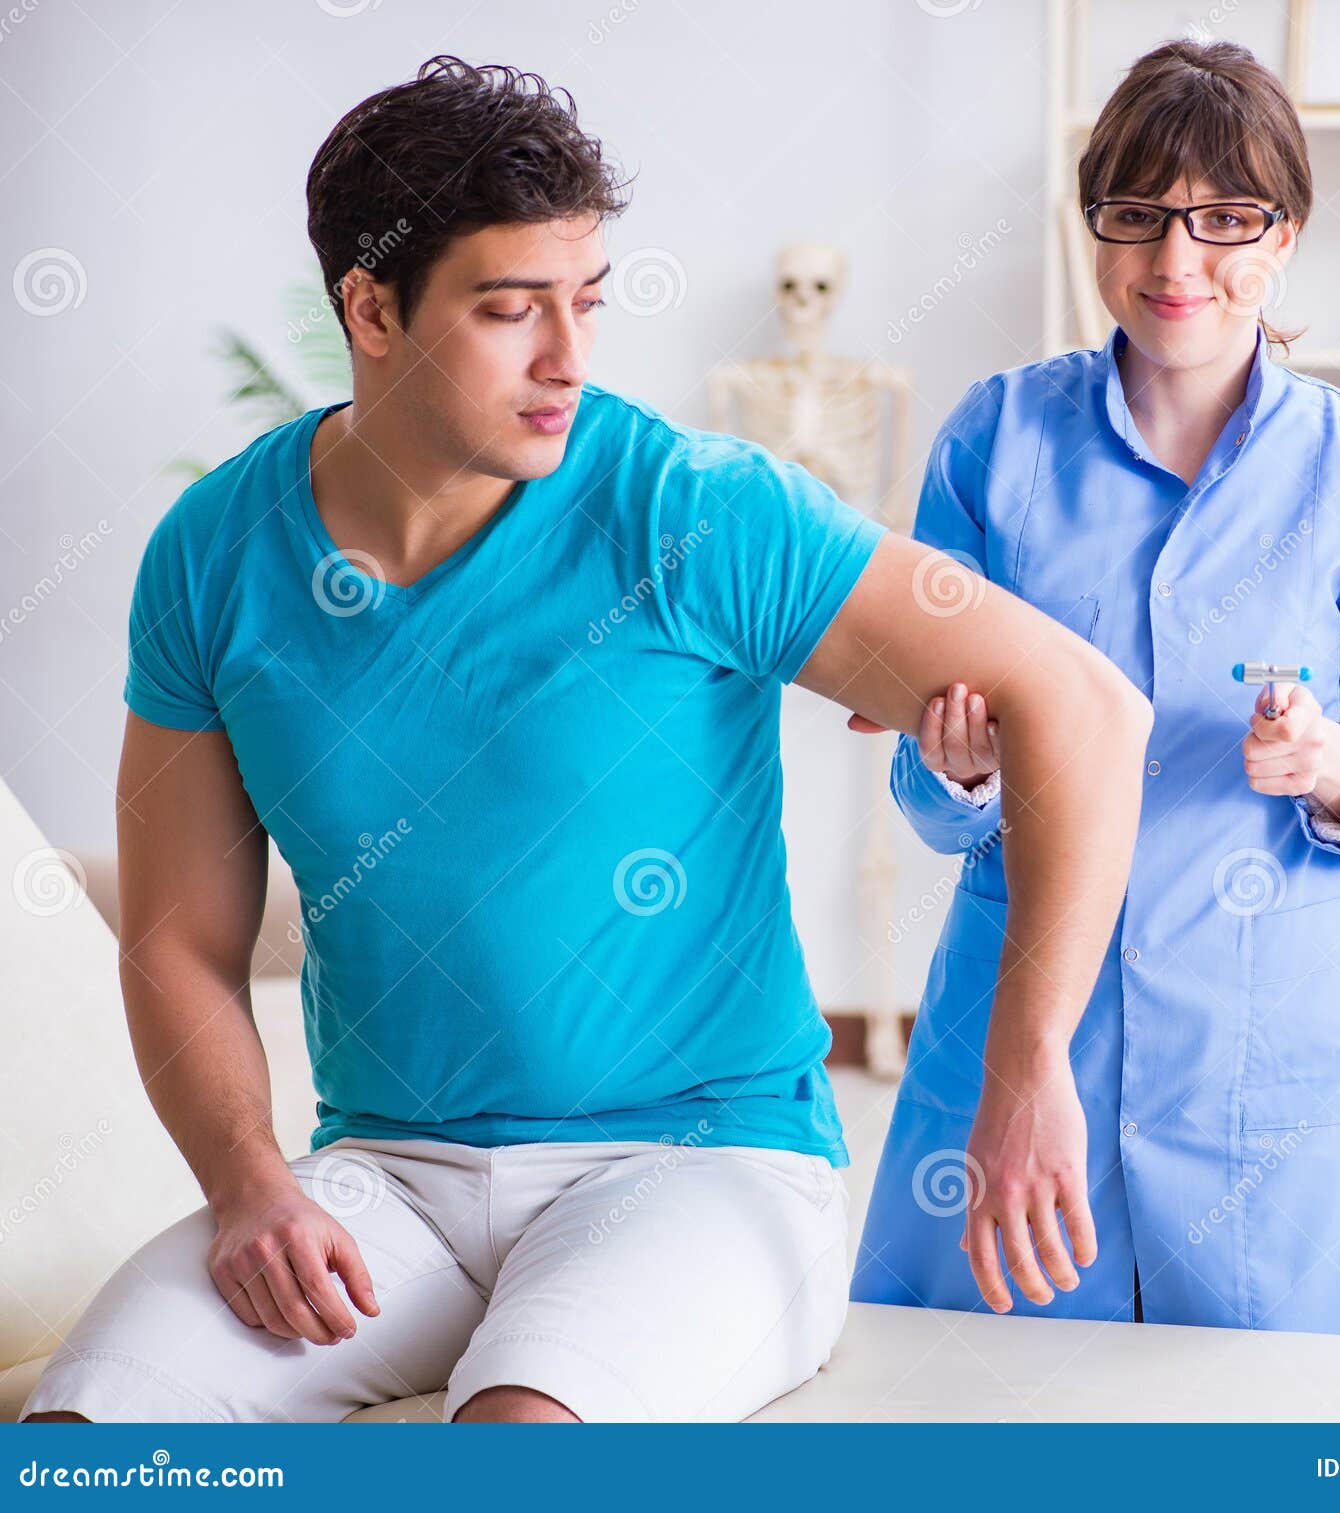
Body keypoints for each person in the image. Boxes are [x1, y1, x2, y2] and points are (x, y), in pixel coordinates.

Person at [21, 56, 1151, 1424]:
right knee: (82, 1433)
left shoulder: (691, 508)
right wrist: (251, 1185)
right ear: (368, 309)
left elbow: (1084, 708)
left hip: (702, 1166)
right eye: (511, 310)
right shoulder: (216, 554)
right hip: (388, 1176)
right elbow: (178, 941)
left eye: (589, 300)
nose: (568, 355)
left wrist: (1028, 1071)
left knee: (520, 1440)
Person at [848, 39, 1340, 1337]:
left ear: (1285, 233)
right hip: (1023, 1032)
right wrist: (960, 766)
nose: (1176, 259)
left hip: (1267, 1064)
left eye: (1225, 218)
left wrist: (1339, 764)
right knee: (978, 1409)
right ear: (1093, 227)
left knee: (1280, 1423)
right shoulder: (996, 438)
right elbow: (922, 786)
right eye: (1135, 214)